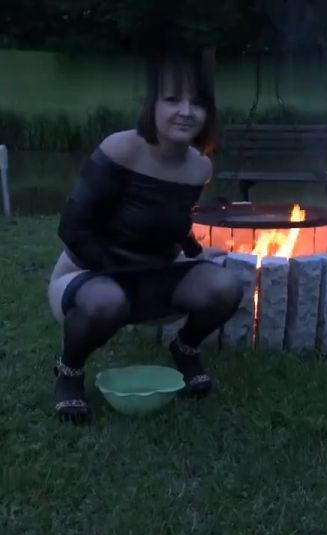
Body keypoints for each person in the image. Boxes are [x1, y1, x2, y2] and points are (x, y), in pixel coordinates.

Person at [46, 47, 243, 424]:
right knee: (106, 301)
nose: (186, 111)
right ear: (152, 104)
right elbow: (72, 227)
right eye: (172, 100)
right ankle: (69, 372)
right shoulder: (121, 148)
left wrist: (195, 252)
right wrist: (120, 271)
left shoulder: (199, 167)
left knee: (225, 286)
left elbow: (174, 221)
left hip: (154, 274)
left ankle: (185, 349)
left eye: (197, 103)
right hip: (89, 273)